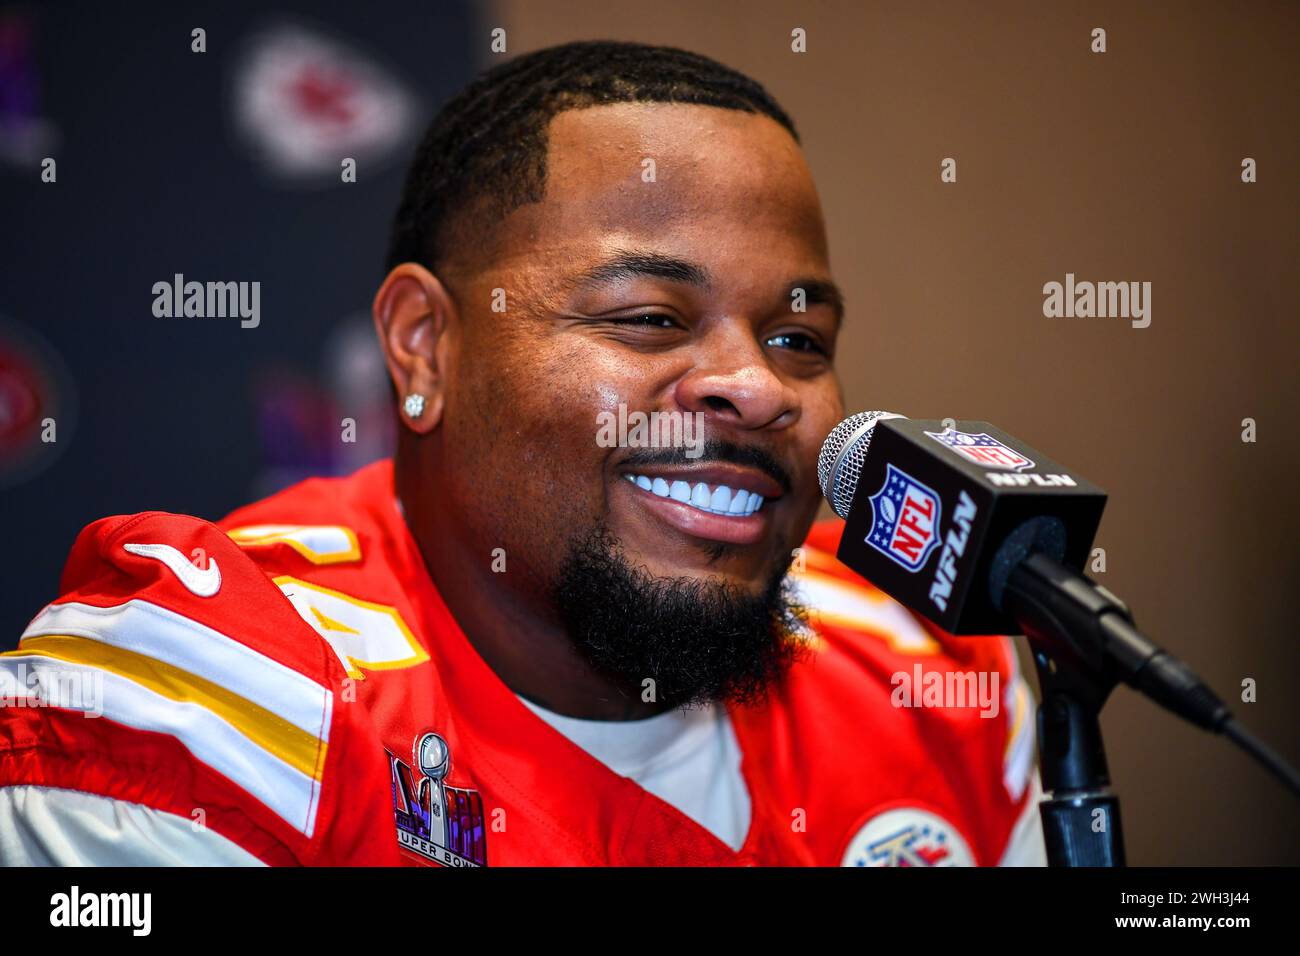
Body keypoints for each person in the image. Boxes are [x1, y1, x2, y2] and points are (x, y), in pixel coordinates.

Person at [0, 40, 1044, 866]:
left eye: (798, 338)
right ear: (424, 346)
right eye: (646, 315)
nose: (761, 385)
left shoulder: (920, 670)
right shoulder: (206, 687)